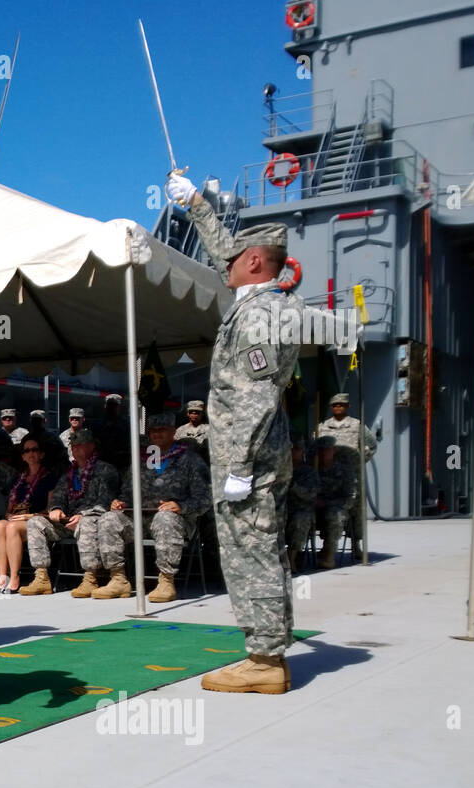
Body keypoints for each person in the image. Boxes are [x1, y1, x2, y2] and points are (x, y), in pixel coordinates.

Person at [167, 169, 302, 693]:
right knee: (252, 548)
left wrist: (240, 467)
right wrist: (196, 203)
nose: (222, 265)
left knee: (254, 550)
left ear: (253, 263)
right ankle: (266, 651)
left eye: (232, 261)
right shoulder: (260, 302)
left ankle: (265, 661)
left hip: (251, 460)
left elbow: (255, 396)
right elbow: (227, 248)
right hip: (252, 455)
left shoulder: (262, 314)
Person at [94, 413, 210, 602]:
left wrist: (181, 506)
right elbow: (127, 491)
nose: (156, 434)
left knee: (165, 519)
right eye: (153, 431)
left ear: (173, 431)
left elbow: (205, 497)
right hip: (140, 519)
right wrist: (121, 502)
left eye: (161, 429)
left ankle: (166, 581)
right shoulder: (142, 460)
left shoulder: (189, 459)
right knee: (109, 518)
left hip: (175, 520)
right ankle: (118, 579)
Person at [21, 429, 120, 595]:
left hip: (94, 519)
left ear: (91, 447)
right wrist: (56, 509)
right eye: (73, 446)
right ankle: (41, 578)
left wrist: (83, 516)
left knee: (88, 523)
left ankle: (90, 578)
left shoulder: (105, 470)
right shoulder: (69, 473)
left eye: (80, 445)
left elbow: (105, 502)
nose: (75, 449)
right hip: (69, 520)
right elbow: (58, 496)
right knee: (35, 522)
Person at [0, 435, 58, 594]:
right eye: (27, 450)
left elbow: (50, 509)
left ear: (41, 454)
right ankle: (2, 577)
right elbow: (10, 506)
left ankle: (14, 578)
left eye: (35, 450)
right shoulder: (18, 479)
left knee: (12, 527)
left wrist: (28, 516)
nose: (31, 453)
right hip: (17, 519)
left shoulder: (50, 477)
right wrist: (8, 514)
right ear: (22, 456)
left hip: (38, 520)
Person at [314, 392, 376, 551]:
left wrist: (358, 461)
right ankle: (328, 544)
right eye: (335, 405)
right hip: (329, 474)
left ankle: (356, 544)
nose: (338, 407)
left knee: (356, 510)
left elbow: (371, 446)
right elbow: (315, 447)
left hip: (352, 475)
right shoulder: (322, 427)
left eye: (341, 404)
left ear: (348, 406)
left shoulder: (357, 426)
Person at [314, 436, 356, 569]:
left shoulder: (344, 471)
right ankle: (294, 556)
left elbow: (350, 497)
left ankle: (329, 555)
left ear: (334, 451)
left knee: (334, 515)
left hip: (335, 508)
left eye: (327, 450)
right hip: (313, 508)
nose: (324, 453)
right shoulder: (312, 469)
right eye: (321, 450)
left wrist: (327, 503)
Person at [286, 438, 319, 574]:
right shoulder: (279, 469)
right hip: (281, 508)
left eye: (297, 450)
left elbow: (310, 494)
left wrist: (292, 486)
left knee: (302, 518)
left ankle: (291, 557)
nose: (294, 453)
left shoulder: (308, 472)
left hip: (300, 509)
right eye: (291, 449)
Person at [94, 393, 131, 473]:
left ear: (118, 407)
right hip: (102, 462)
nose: (111, 408)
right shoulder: (97, 424)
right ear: (105, 406)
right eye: (109, 405)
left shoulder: (126, 423)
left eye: (114, 405)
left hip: (121, 464)